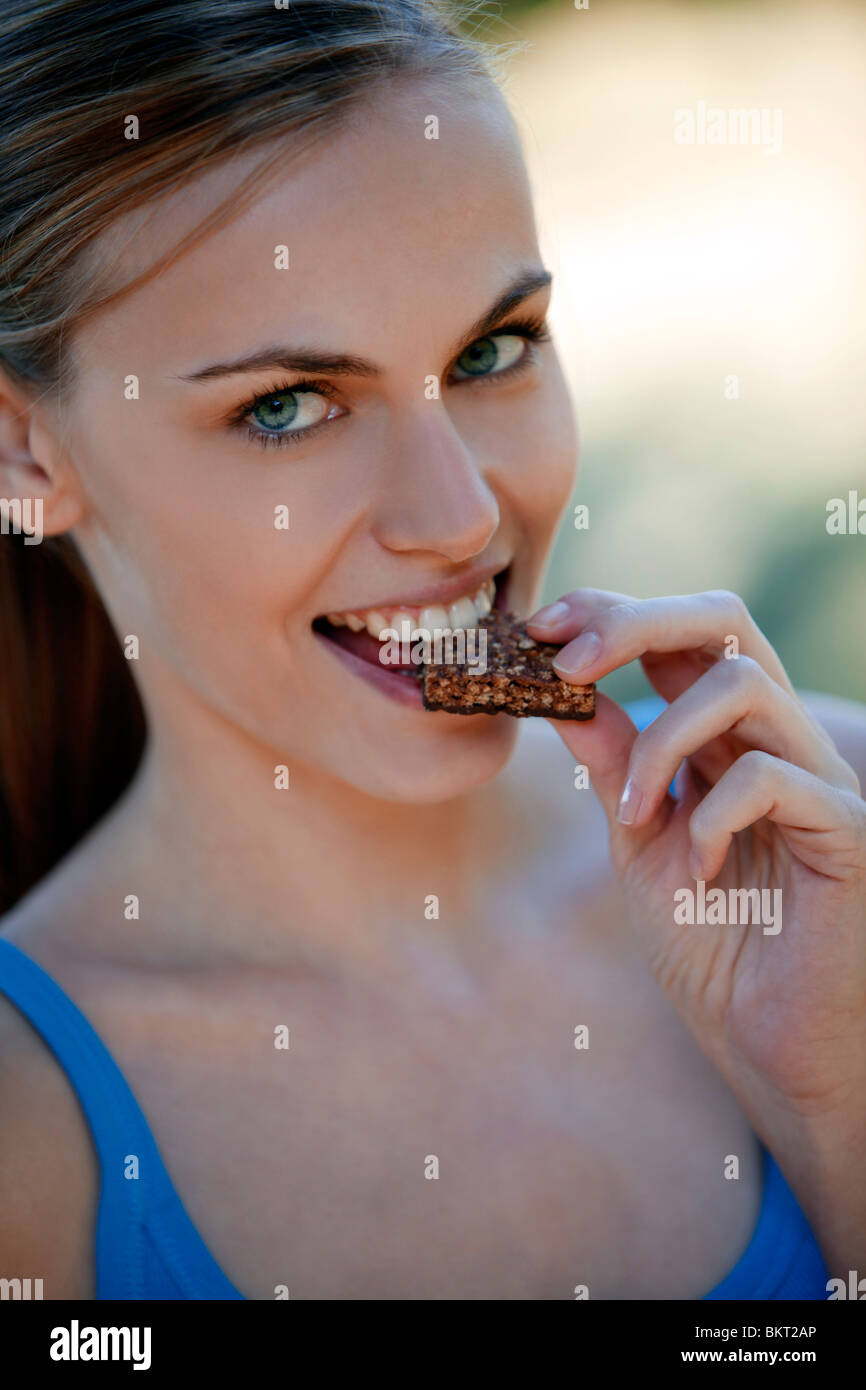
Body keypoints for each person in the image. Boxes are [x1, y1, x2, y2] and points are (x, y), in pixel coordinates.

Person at [0, 0, 864, 1301]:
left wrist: (838, 1097)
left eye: (491, 350)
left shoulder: (827, 842)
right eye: (287, 407)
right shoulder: (29, 1144)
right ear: (26, 454)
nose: (462, 516)